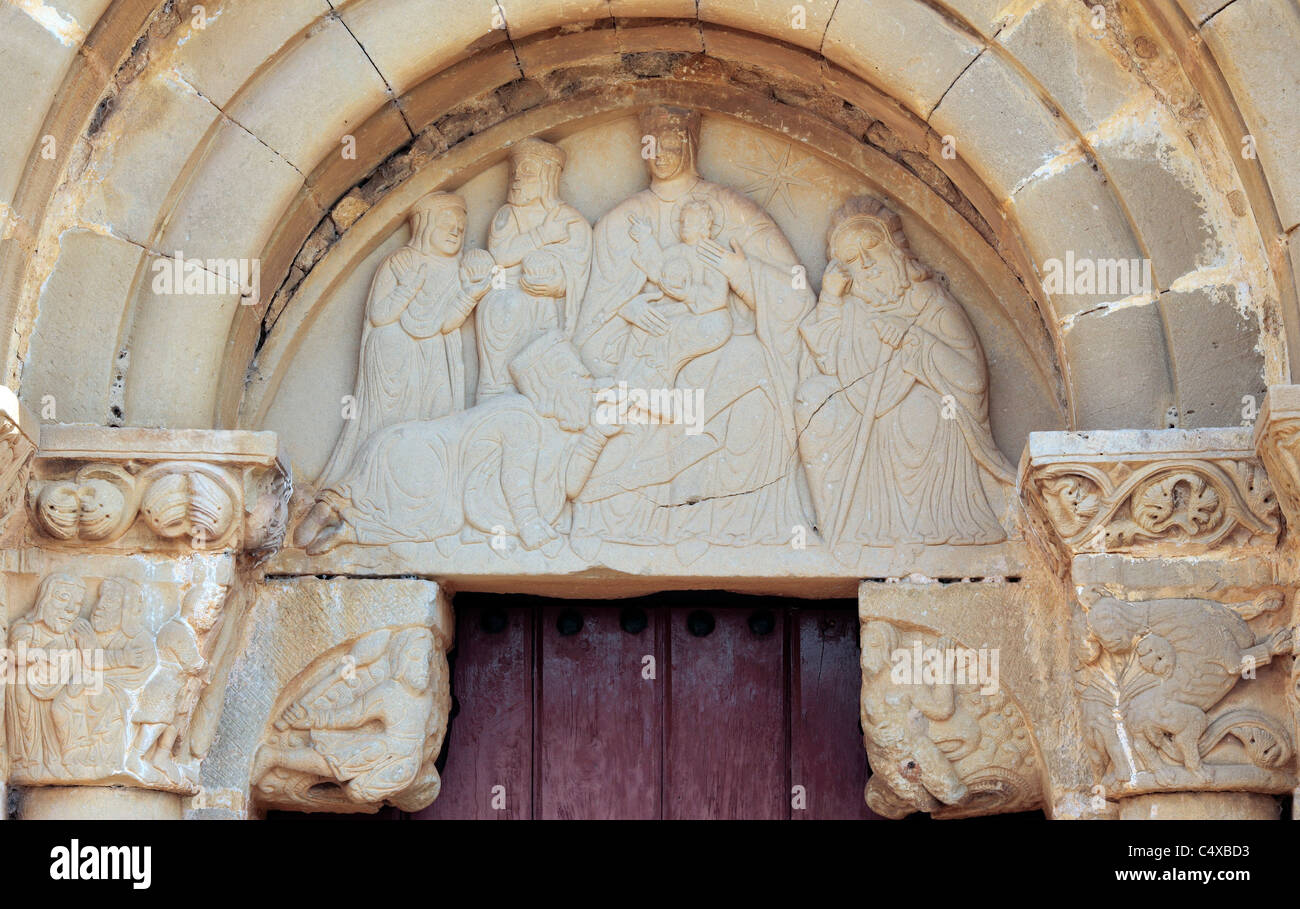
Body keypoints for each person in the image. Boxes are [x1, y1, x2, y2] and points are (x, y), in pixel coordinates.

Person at [572, 105, 817, 551]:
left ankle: (732, 521)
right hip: (647, 351)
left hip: (720, 345)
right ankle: (625, 515)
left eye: (672, 142)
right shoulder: (618, 223)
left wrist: (740, 272)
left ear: (692, 143)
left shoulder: (732, 210)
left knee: (750, 377)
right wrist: (626, 309)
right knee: (641, 394)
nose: (662, 153)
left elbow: (798, 296)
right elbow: (589, 327)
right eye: (654, 144)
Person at [796, 197, 1013, 547]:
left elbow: (970, 379)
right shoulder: (849, 308)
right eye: (851, 259)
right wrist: (831, 300)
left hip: (922, 414)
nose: (865, 264)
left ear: (895, 248)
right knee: (815, 401)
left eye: (871, 248)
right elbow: (828, 359)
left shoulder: (927, 300)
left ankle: (930, 528)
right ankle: (848, 526)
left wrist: (914, 341)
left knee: (921, 411)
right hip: (860, 406)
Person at [316, 191, 494, 487]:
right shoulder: (400, 261)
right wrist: (407, 289)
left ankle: (425, 483)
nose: (456, 230)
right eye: (447, 223)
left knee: (434, 425)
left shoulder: (456, 268)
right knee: (390, 425)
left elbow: (448, 323)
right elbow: (379, 315)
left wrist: (471, 293)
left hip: (435, 359)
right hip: (394, 361)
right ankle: (377, 482)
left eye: (461, 228)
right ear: (426, 224)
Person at [485, 138, 592, 337]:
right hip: (506, 297)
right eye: (514, 172)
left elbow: (580, 272)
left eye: (528, 172)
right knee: (498, 305)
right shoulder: (508, 213)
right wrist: (541, 235)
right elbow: (499, 258)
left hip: (551, 302)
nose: (517, 178)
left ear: (548, 177)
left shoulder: (570, 220)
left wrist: (558, 286)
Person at [7, 574, 94, 779]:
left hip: (60, 692)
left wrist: (88, 644)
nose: (72, 609)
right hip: (28, 692)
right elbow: (15, 655)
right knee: (19, 684)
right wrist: (42, 655)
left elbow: (89, 664)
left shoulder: (71, 633)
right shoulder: (26, 628)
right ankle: (30, 761)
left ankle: (60, 759)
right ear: (45, 600)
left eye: (78, 603)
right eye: (63, 598)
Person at [475, 249, 565, 400]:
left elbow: (577, 258)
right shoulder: (506, 225)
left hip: (543, 292)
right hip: (499, 288)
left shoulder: (565, 226)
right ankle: (496, 387)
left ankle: (539, 386)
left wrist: (558, 281)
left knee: (543, 312)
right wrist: (544, 233)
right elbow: (500, 252)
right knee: (508, 306)